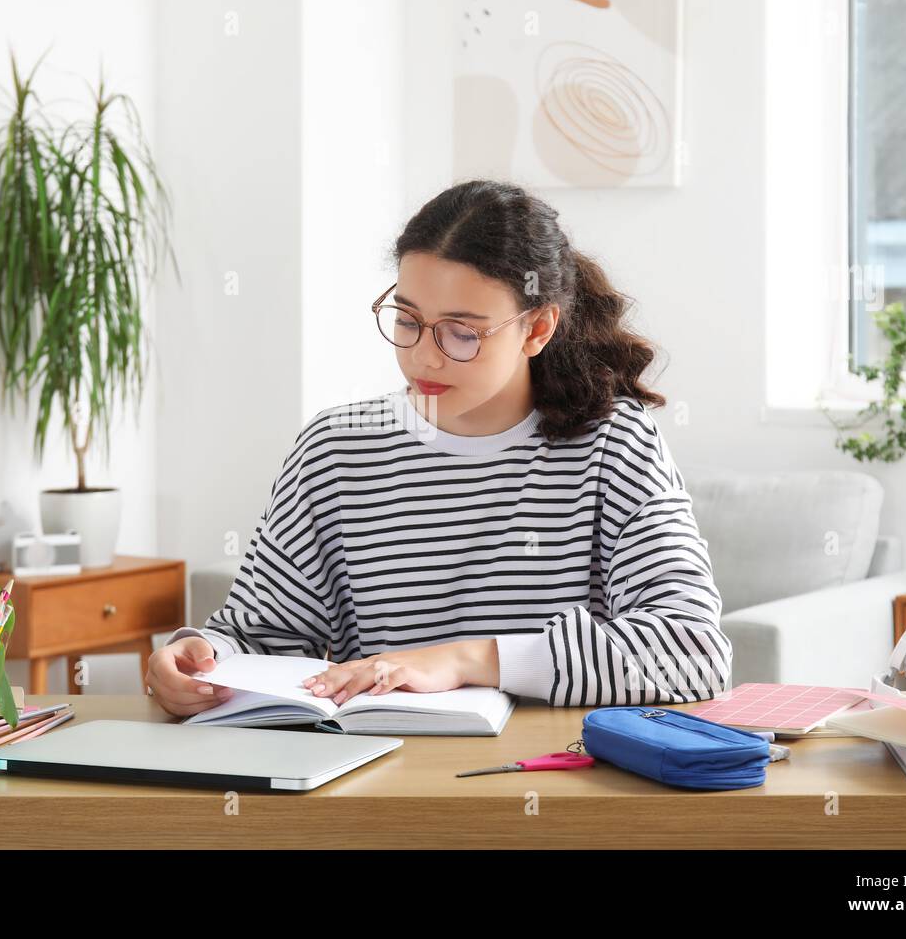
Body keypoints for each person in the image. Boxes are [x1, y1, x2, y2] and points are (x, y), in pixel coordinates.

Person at [146, 179, 731, 718]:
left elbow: (691, 649)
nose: (423, 357)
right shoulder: (335, 450)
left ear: (537, 328)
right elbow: (260, 635)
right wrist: (199, 656)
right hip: (380, 783)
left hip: (559, 784)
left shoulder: (614, 444)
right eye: (406, 320)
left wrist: (462, 661)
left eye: (461, 332)